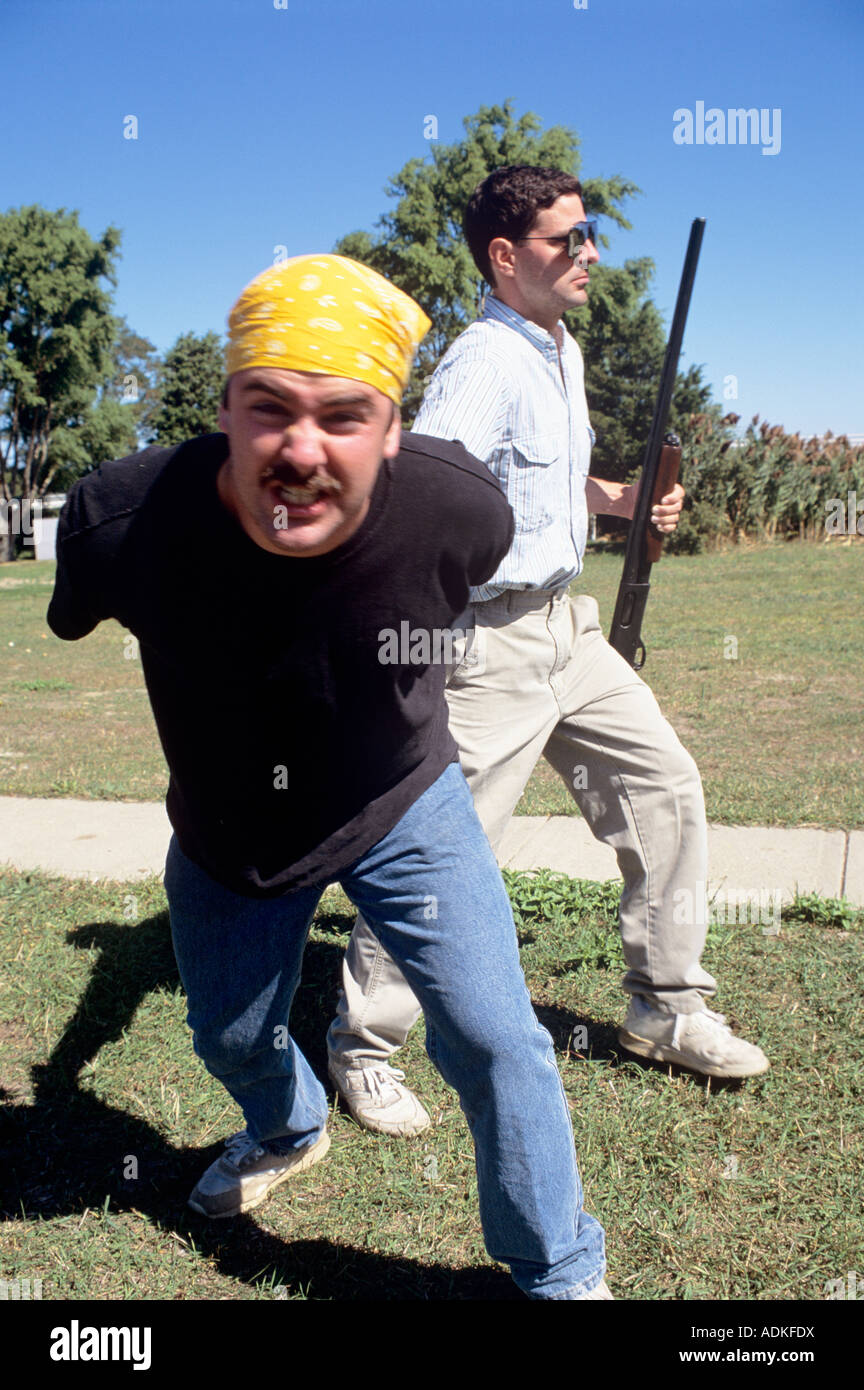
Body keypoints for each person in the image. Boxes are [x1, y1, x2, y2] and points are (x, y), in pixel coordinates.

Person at [46, 253, 611, 1300]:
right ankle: (287, 1124)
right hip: (231, 834)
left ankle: (562, 1271)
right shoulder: (121, 522)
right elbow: (72, 609)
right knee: (227, 1030)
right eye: (269, 408)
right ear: (225, 408)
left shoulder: (456, 507)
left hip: (403, 800)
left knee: (497, 1038)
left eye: (345, 415)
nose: (301, 448)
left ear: (393, 429)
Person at [326, 167, 770, 1138]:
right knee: (441, 845)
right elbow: (434, 491)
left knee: (665, 785)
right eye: (569, 239)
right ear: (505, 255)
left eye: (590, 234)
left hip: (569, 626)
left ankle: (666, 1003)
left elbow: (540, 484)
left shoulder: (555, 349)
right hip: (488, 642)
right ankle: (363, 1046)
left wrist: (613, 501)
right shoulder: (484, 360)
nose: (590, 254)